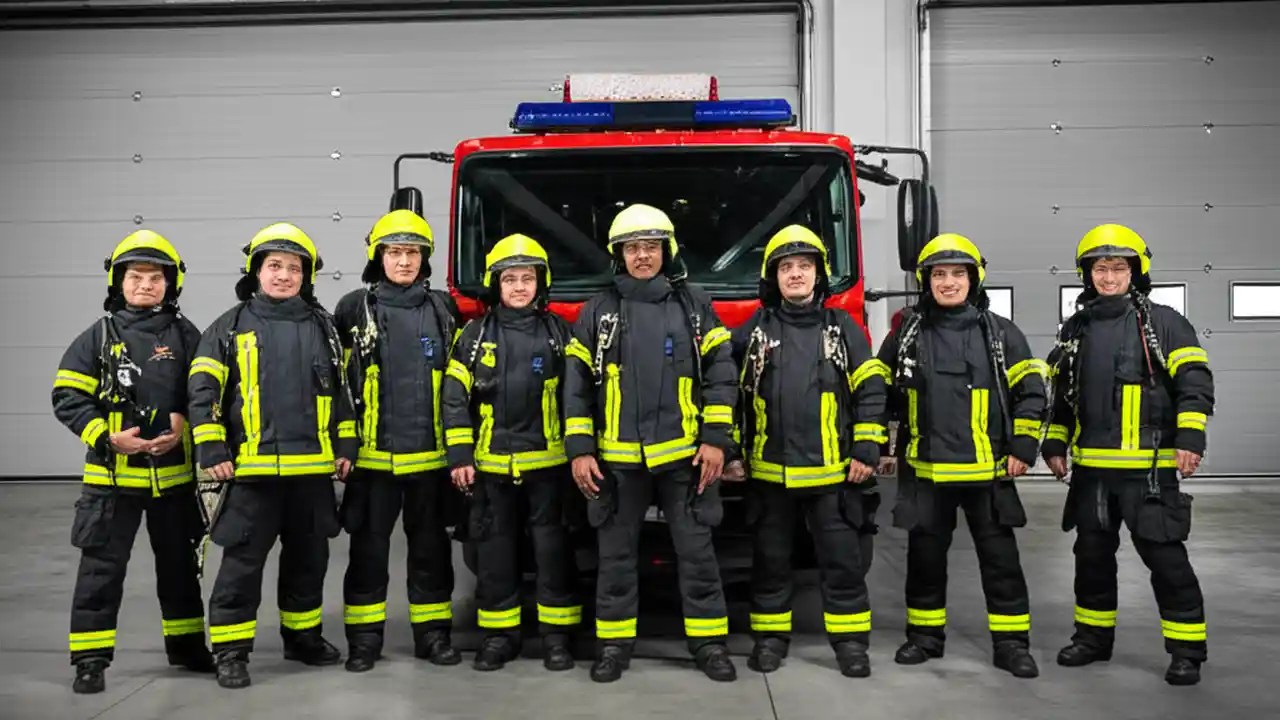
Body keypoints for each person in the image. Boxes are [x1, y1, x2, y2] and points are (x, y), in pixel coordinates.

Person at [563, 203, 738, 683]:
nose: (643, 256)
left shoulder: (694, 305)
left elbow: (722, 375)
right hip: (617, 463)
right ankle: (614, 646)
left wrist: (716, 441)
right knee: (615, 558)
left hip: (686, 458)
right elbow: (575, 385)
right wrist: (580, 448)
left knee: (698, 554)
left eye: (651, 247)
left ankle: (709, 645)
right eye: (633, 248)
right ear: (619, 255)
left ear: (668, 250)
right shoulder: (597, 312)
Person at [188, 222, 357, 689]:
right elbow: (203, 392)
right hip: (251, 475)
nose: (284, 275)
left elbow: (341, 394)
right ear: (256, 271)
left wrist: (346, 445)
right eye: (274, 266)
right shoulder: (228, 327)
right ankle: (231, 651)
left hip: (311, 474)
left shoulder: (324, 327)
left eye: (294, 268)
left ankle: (302, 637)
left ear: (307, 276)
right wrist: (211, 446)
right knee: (242, 566)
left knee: (309, 561)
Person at [1043, 224, 1213, 686]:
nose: (1110, 276)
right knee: (1092, 560)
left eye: (1119, 267)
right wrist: (1055, 444)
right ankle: (1093, 640)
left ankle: (1186, 652)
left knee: (1166, 561)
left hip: (1150, 473)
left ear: (1136, 272)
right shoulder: (1075, 329)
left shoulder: (1165, 323)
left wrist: (1190, 440)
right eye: (1101, 267)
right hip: (1093, 473)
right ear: (1087, 274)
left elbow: (1195, 384)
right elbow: (1063, 395)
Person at [876, 233, 1047, 678]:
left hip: (987, 472)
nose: (948, 283)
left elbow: (1031, 392)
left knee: (1001, 562)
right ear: (925, 281)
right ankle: (924, 638)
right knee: (925, 559)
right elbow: (880, 391)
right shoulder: (906, 333)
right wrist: (880, 446)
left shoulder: (1001, 334)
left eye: (957, 274)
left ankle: (1012, 645)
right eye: (939, 274)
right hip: (926, 471)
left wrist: (1024, 446)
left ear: (974, 279)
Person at [53, 230, 211, 693]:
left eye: (156, 278)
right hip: (111, 484)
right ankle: (90, 659)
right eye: (136, 277)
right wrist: (107, 436)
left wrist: (183, 423)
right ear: (117, 283)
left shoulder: (188, 335)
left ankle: (186, 647)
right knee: (101, 573)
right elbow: (67, 396)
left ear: (171, 284)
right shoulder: (96, 338)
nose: (146, 285)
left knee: (180, 569)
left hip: (174, 482)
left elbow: (204, 391)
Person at [727, 225, 887, 677]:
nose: (796, 274)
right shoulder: (752, 333)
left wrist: (866, 448)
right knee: (770, 564)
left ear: (820, 274)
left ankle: (851, 645)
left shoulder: (844, 330)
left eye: (805, 266)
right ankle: (770, 641)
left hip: (833, 476)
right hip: (768, 477)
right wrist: (731, 451)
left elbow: (870, 389)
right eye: (786, 267)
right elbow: (725, 395)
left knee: (842, 565)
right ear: (772, 277)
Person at [442, 233, 580, 672]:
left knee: (553, 554)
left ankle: (556, 638)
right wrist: (461, 454)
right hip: (490, 469)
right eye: (510, 279)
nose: (519, 287)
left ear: (542, 283)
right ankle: (499, 638)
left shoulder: (560, 333)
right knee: (495, 556)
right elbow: (452, 397)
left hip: (549, 466)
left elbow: (579, 395)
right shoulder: (473, 335)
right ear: (495, 284)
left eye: (527, 278)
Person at [334, 210, 464, 673]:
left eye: (412, 253)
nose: (404, 261)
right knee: (368, 552)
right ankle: (364, 641)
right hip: (372, 462)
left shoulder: (443, 309)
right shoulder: (353, 309)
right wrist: (343, 446)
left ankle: (433, 636)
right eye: (394, 252)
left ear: (424, 259)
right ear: (378, 257)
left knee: (431, 552)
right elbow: (337, 385)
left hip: (430, 461)